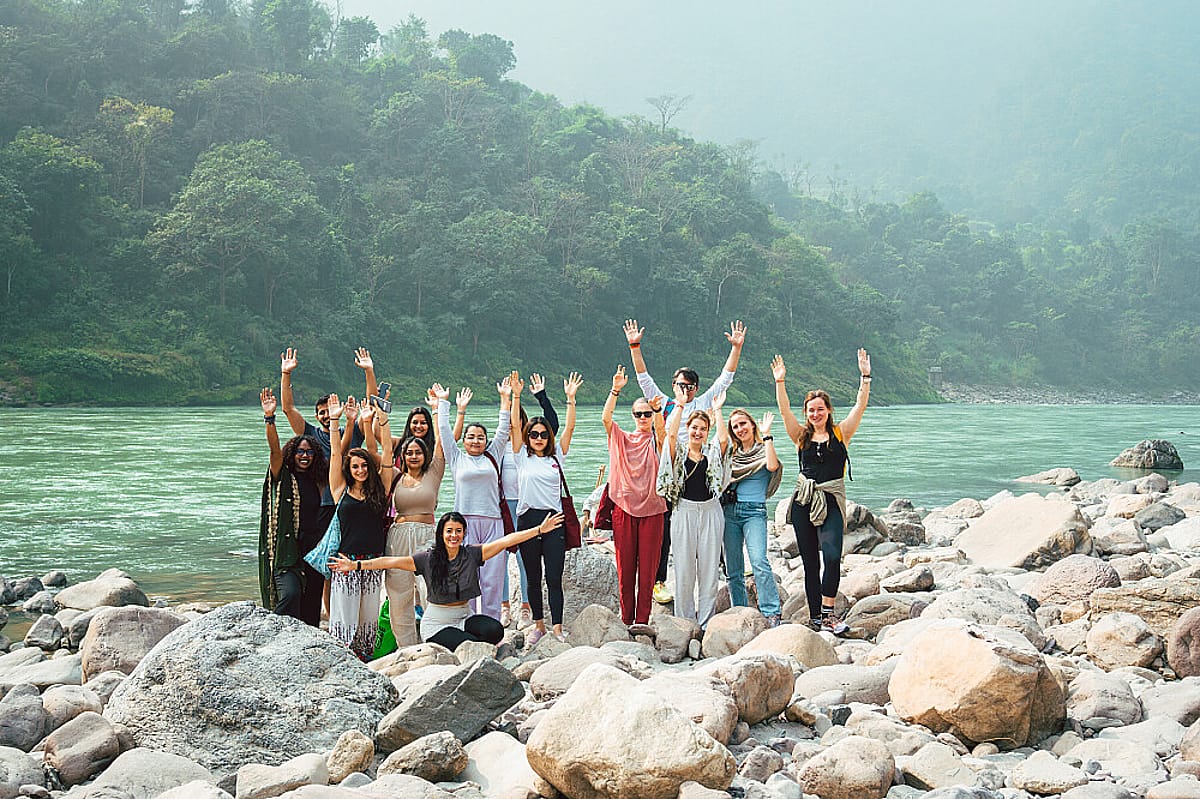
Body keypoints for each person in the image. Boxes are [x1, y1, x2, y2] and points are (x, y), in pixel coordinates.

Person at [623, 319, 747, 604]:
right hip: (670, 469)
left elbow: (725, 378)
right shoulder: (665, 403)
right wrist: (634, 346)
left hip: (699, 467)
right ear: (673, 385)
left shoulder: (703, 404)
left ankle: (723, 567)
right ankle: (658, 581)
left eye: (690, 386)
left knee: (712, 516)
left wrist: (736, 348)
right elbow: (643, 377)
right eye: (681, 384)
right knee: (666, 527)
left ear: (696, 388)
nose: (686, 389)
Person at [330, 511, 565, 651]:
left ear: (464, 533)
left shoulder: (472, 554)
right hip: (437, 624)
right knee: (469, 646)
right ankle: (443, 645)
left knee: (494, 631)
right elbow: (390, 562)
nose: (454, 536)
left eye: (458, 531)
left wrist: (539, 529)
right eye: (449, 531)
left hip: (463, 617)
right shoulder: (427, 559)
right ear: (442, 534)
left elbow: (505, 541)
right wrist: (355, 565)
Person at [773, 349, 871, 634]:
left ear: (828, 410)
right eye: (810, 410)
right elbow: (784, 411)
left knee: (831, 555)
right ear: (807, 413)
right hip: (804, 501)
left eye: (820, 408)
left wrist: (865, 376)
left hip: (830, 500)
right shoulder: (800, 436)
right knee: (810, 562)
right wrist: (780, 382)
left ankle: (829, 614)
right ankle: (815, 618)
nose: (815, 413)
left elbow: (860, 406)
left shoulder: (841, 433)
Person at [510, 370, 582, 644]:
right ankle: (538, 625)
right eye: (534, 434)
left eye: (543, 434)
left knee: (554, 577)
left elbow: (570, 428)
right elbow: (514, 426)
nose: (538, 437)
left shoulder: (557, 457)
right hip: (528, 520)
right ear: (528, 437)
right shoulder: (521, 457)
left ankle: (558, 628)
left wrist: (571, 400)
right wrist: (516, 396)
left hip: (554, 521)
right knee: (532, 577)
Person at [436, 376, 512, 621]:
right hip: (464, 524)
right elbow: (445, 431)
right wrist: (443, 403)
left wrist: (505, 398)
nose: (476, 440)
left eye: (480, 437)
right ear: (464, 440)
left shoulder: (494, 454)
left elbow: (503, 429)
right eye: (471, 436)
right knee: (466, 578)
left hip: (493, 522)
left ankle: (492, 626)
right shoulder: (456, 458)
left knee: (492, 580)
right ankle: (467, 623)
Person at [326, 394, 393, 659]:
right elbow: (334, 453)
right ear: (348, 469)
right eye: (355, 466)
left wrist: (382, 420)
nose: (361, 469)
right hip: (346, 561)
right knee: (345, 615)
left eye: (364, 465)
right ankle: (341, 657)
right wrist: (335, 421)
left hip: (373, 561)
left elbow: (387, 453)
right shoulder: (339, 489)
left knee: (368, 617)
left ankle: (365, 658)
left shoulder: (380, 490)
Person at [655, 387, 727, 628]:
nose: (698, 432)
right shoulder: (678, 453)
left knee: (709, 570)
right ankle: (685, 620)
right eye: (694, 428)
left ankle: (706, 621)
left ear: (708, 432)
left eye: (703, 429)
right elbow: (670, 435)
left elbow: (724, 440)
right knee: (684, 567)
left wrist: (717, 411)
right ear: (689, 429)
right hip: (684, 510)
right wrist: (681, 406)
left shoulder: (712, 453)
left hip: (710, 511)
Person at [602, 365, 667, 628]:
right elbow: (606, 419)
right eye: (639, 413)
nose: (643, 417)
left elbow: (663, 432)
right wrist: (615, 389)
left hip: (653, 511)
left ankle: (642, 620)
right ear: (633, 415)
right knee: (625, 569)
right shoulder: (621, 438)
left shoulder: (657, 440)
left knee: (648, 571)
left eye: (647, 413)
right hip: (624, 509)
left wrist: (659, 411)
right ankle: (626, 618)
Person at [258, 387, 328, 627]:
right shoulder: (283, 476)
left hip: (313, 550)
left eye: (309, 452)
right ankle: (275, 634)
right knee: (290, 594)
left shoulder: (319, 480)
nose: (304, 455)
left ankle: (307, 645)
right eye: (300, 451)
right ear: (293, 453)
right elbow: (274, 451)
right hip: (287, 550)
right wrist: (270, 419)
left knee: (311, 604)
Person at [719, 407, 784, 627]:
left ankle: (771, 612)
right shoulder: (732, 455)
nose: (740, 429)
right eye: (735, 426)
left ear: (752, 424)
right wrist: (717, 411)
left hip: (754, 512)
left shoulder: (763, 448)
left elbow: (773, 466)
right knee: (733, 568)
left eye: (743, 423)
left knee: (759, 561)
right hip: (730, 512)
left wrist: (767, 435)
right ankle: (739, 609)